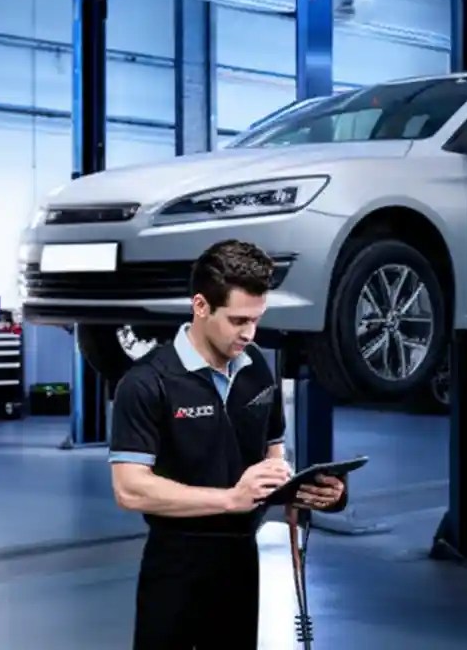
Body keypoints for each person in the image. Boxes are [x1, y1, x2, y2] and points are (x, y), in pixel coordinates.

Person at [107, 238, 348, 650]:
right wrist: (230, 499)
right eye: (238, 320)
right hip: (176, 564)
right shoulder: (148, 382)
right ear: (200, 306)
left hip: (241, 560)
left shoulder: (257, 370)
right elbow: (129, 489)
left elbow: (273, 457)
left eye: (256, 318)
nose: (250, 332)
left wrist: (309, 490)